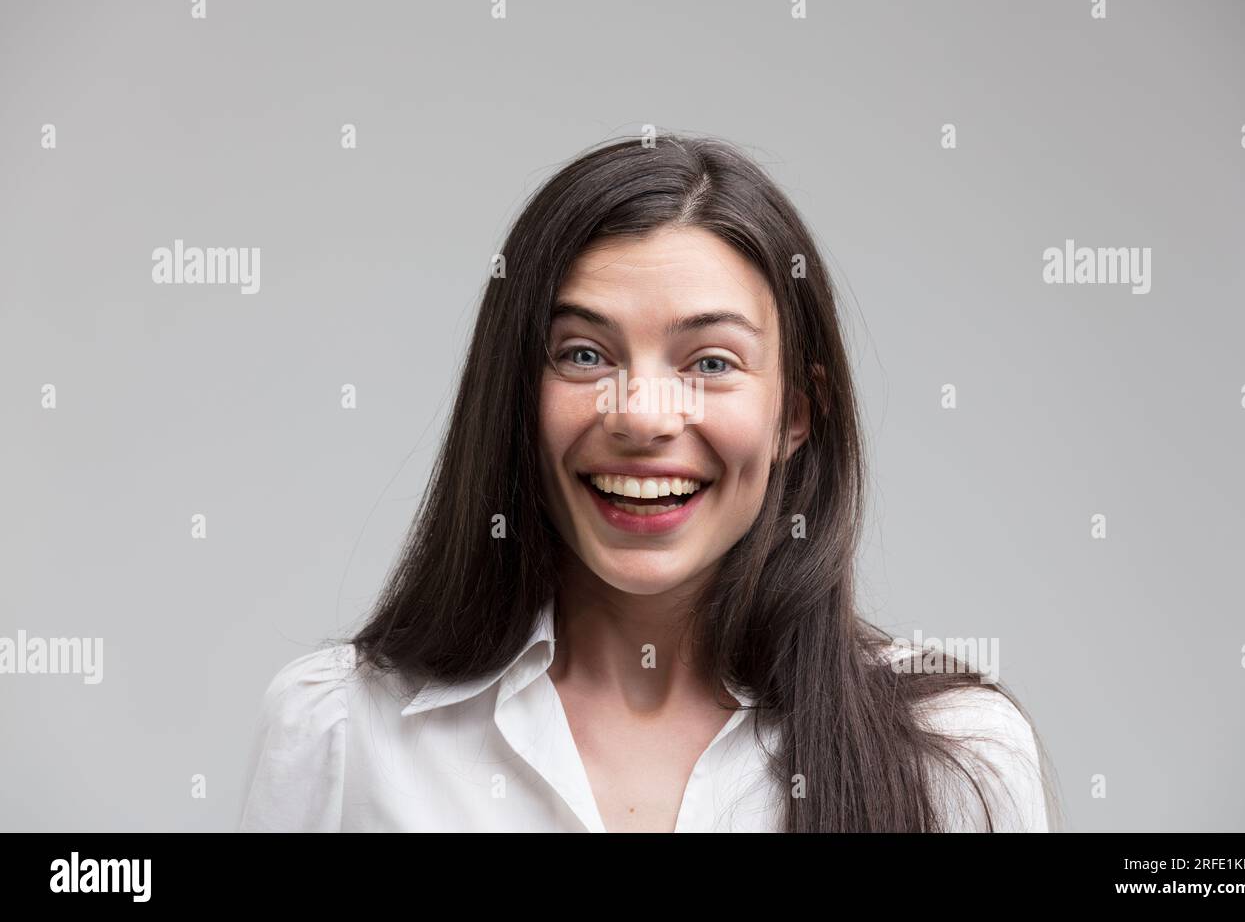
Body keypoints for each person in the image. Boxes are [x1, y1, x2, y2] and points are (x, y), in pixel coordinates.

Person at [238, 134, 1059, 832]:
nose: (641, 417)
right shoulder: (340, 728)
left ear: (796, 417)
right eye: (584, 354)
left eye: (711, 362)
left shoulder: (955, 758)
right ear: (518, 398)